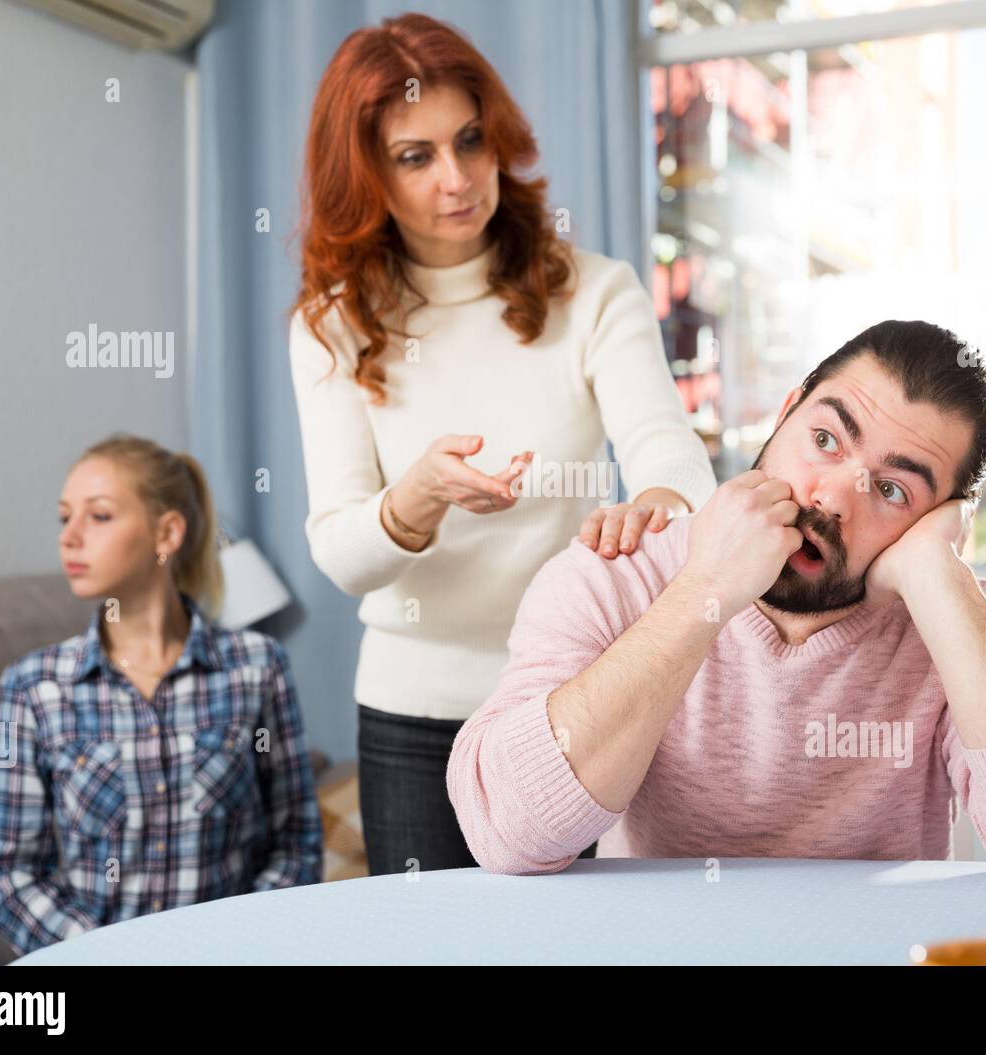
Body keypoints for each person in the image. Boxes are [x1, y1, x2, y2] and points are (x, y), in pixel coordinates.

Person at [447, 320, 986, 888]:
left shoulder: (964, 623)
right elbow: (506, 829)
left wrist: (939, 579)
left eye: (893, 490)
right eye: (823, 439)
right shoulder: (618, 572)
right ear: (785, 413)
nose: (828, 497)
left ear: (943, 520)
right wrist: (704, 593)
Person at [288, 13, 716, 876]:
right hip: (413, 715)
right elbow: (340, 550)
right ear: (366, 174)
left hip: (580, 702)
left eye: (471, 140)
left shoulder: (594, 293)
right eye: (416, 156)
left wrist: (660, 510)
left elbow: (671, 460)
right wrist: (419, 495)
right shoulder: (329, 327)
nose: (458, 178)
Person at [0, 434, 322, 956]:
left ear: (167, 533)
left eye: (99, 516)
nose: (69, 538)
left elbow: (296, 844)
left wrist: (236, 949)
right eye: (63, 517)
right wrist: (109, 955)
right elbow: (9, 876)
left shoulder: (257, 667)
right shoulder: (34, 688)